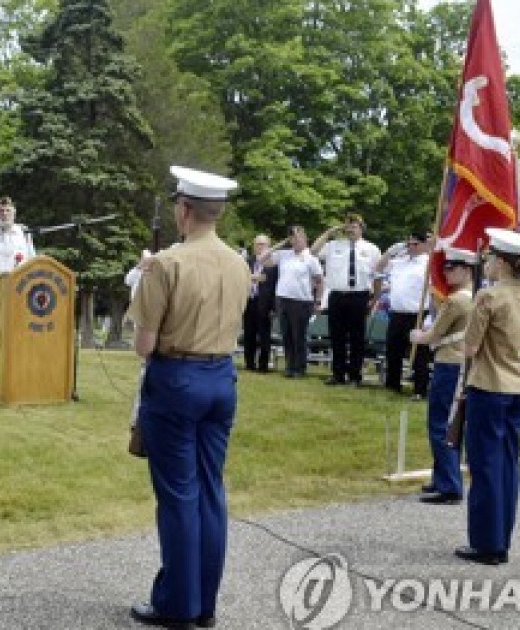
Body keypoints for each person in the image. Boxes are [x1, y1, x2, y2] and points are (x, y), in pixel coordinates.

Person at [128, 165, 249, 628]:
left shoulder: (166, 263)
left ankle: (177, 605)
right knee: (210, 491)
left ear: (184, 210)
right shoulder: (238, 262)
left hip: (177, 379)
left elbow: (143, 344)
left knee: (179, 496)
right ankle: (205, 605)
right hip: (221, 377)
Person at [453, 228, 520, 566]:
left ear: (501, 262)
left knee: (485, 466)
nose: (486, 263)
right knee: (506, 465)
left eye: (490, 257)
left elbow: (471, 347)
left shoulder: (488, 297)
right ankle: (501, 538)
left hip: (489, 386)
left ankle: (487, 544)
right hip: (518, 386)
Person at [409, 248, 477, 505]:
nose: (446, 272)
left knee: (441, 424)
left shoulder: (457, 300)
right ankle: (441, 477)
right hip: (459, 363)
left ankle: (449, 484)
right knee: (448, 423)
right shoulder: (475, 297)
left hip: (450, 363)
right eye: (446, 268)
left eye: (452, 268)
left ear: (466, 270)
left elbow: (433, 335)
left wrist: (417, 336)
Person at [313, 213, 381, 386]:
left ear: (362, 228)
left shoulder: (372, 249)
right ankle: (338, 374)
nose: (350, 229)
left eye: (354, 226)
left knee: (357, 338)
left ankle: (355, 376)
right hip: (337, 295)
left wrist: (375, 297)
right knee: (337, 337)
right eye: (347, 226)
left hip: (359, 295)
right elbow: (313, 251)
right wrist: (330, 232)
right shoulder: (333, 245)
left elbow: (378, 275)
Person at [375, 232, 432, 399]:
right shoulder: (399, 263)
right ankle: (392, 384)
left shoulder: (428, 263)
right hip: (397, 313)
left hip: (417, 313)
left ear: (423, 245)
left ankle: (420, 389)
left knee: (419, 354)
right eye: (409, 244)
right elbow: (378, 269)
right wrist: (389, 253)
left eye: (415, 244)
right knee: (394, 351)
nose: (411, 248)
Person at [259, 227, 323, 378]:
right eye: (292, 238)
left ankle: (299, 368)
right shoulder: (284, 254)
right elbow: (262, 259)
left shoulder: (311, 258)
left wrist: (318, 301)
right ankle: (289, 366)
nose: (295, 240)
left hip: (301, 301)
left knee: (299, 336)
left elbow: (320, 281)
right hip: (282, 299)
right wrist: (280, 244)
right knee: (286, 335)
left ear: (305, 239)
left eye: (298, 237)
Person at [242, 235, 279, 373]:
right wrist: (252, 277)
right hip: (249, 301)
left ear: (268, 246)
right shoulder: (247, 261)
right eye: (257, 244)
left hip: (265, 303)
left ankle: (263, 365)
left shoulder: (273, 263)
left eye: (263, 244)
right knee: (249, 334)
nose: (260, 246)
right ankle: (249, 363)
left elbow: (276, 285)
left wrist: (274, 307)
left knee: (264, 336)